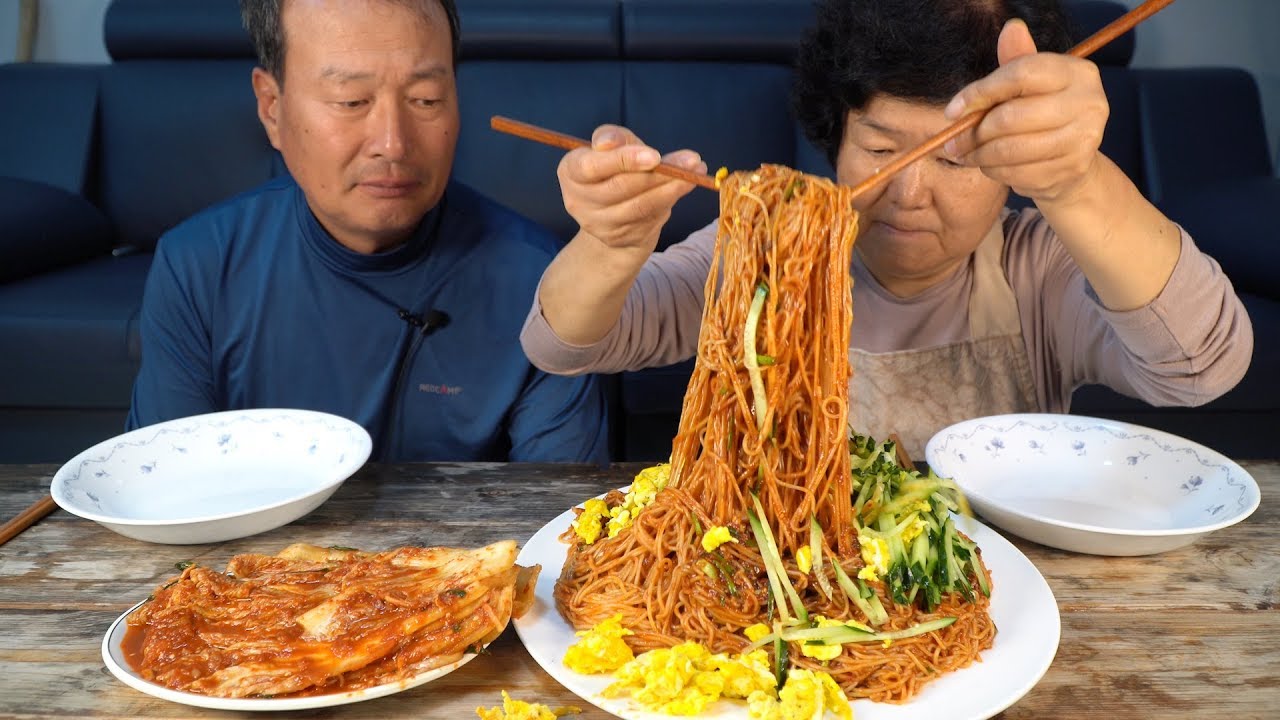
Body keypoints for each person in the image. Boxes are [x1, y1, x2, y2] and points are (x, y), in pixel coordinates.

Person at [519, 0, 1253, 460]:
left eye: (958, 158)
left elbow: (1201, 369)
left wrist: (1075, 180)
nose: (908, 194)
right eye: (878, 149)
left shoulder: (1039, 269)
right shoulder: (766, 248)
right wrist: (611, 244)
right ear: (833, 138)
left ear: (1012, 165)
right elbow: (564, 342)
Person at [127, 0, 608, 464]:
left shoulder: (547, 284)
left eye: (426, 99)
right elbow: (165, 494)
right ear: (272, 108)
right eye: (350, 101)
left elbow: (565, 518)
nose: (393, 144)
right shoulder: (200, 267)